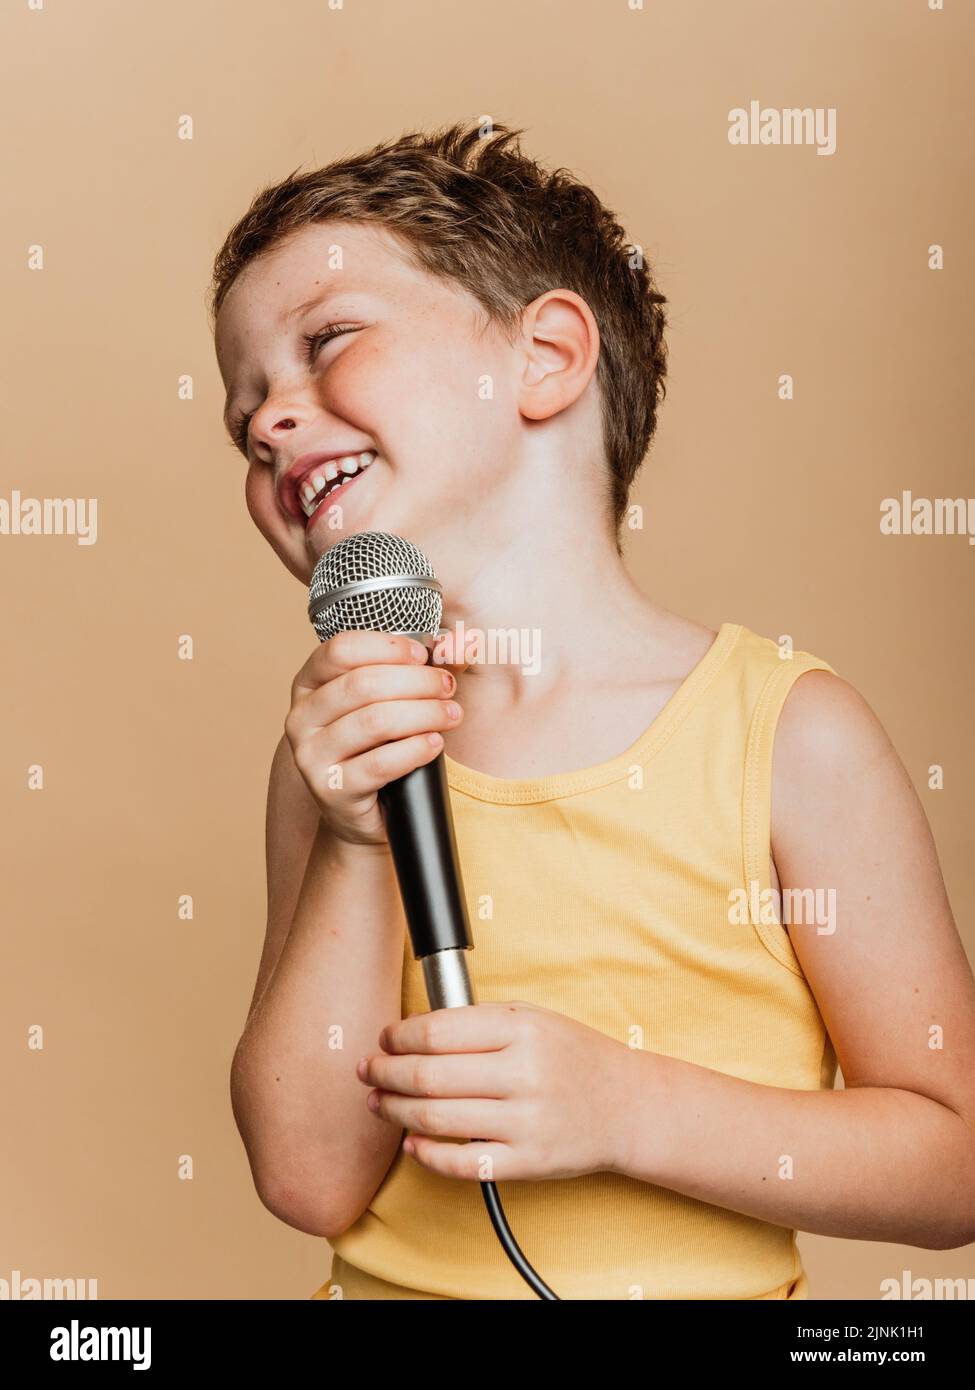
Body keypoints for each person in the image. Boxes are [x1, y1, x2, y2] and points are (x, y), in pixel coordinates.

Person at [209, 121, 975, 1300]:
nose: (267, 421)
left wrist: (625, 1106)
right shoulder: (333, 754)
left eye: (328, 341)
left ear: (547, 356)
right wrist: (356, 840)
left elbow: (955, 1161)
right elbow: (310, 1177)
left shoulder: (786, 734)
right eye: (244, 410)